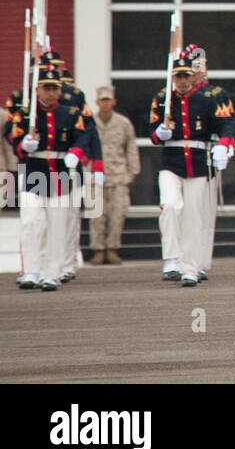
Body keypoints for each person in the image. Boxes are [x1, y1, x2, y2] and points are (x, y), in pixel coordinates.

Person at [148, 52, 234, 287]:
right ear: (172, 77)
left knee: (194, 216)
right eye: (179, 76)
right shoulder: (163, 98)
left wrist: (225, 145)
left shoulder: (207, 98)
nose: (183, 81)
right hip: (171, 162)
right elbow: (152, 132)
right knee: (170, 205)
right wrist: (159, 134)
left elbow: (226, 124)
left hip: (197, 162)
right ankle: (172, 258)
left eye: (187, 75)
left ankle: (191, 267)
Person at [11, 65, 98, 290]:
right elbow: (15, 138)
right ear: (37, 89)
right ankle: (31, 269)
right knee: (31, 222)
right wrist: (24, 145)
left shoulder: (70, 113)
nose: (51, 92)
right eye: (46, 88)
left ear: (60, 90)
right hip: (34, 172)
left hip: (60, 173)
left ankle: (53, 272)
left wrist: (76, 153)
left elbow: (83, 136)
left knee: (58, 226)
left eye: (54, 88)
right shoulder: (26, 113)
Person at [183, 45, 235, 282]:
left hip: (207, 155)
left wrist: (225, 145)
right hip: (180, 158)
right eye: (191, 68)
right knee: (175, 208)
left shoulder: (216, 94)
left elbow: (228, 123)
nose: (195, 73)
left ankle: (201, 260)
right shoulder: (174, 95)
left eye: (198, 68)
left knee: (203, 211)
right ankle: (177, 258)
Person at [89, 86, 139, 265]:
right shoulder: (89, 122)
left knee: (117, 213)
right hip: (95, 175)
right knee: (97, 215)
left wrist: (132, 172)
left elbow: (131, 148)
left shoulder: (123, 123)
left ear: (114, 101)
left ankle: (112, 249)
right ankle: (98, 250)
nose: (105, 103)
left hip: (118, 174)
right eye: (102, 100)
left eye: (108, 99)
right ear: (97, 102)